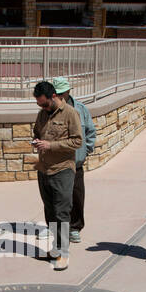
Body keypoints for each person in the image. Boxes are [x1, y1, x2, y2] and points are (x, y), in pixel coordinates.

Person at [31, 80, 83, 271]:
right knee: (50, 211)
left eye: (45, 104)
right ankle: (55, 248)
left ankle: (63, 253)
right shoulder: (42, 113)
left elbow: (77, 141)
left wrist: (51, 145)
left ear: (54, 96)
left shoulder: (70, 113)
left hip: (62, 170)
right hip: (44, 169)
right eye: (39, 105)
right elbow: (37, 131)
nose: (43, 108)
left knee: (62, 212)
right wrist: (36, 141)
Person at [50, 76, 95, 244]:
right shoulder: (49, 111)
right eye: (57, 94)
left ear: (69, 91)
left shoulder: (81, 109)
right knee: (57, 199)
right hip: (57, 165)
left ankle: (75, 227)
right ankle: (57, 228)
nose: (61, 96)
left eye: (63, 93)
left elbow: (90, 132)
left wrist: (85, 151)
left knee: (76, 197)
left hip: (75, 164)